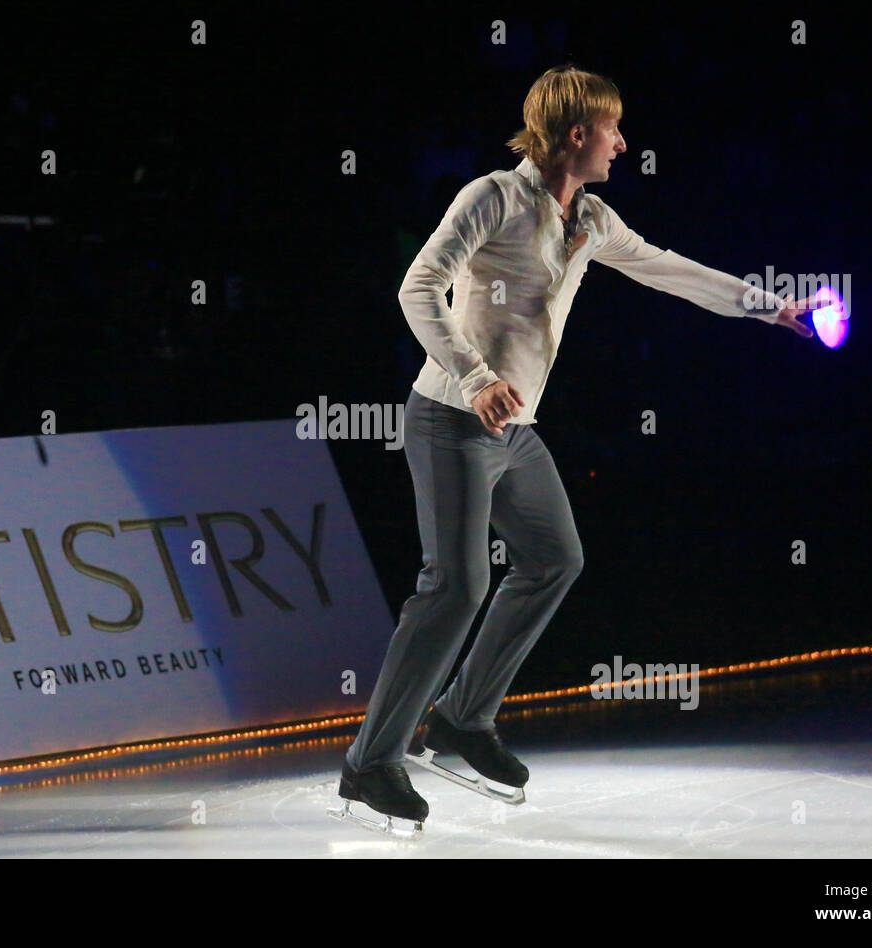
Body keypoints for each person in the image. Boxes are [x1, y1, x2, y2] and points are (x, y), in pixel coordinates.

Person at [336, 63, 817, 829]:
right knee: (454, 586)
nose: (624, 145)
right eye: (615, 130)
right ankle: (370, 764)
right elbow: (418, 286)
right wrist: (476, 376)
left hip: (515, 432)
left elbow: (668, 270)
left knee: (555, 557)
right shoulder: (492, 196)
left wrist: (769, 308)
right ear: (577, 134)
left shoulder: (591, 220)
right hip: (450, 419)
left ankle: (463, 718)